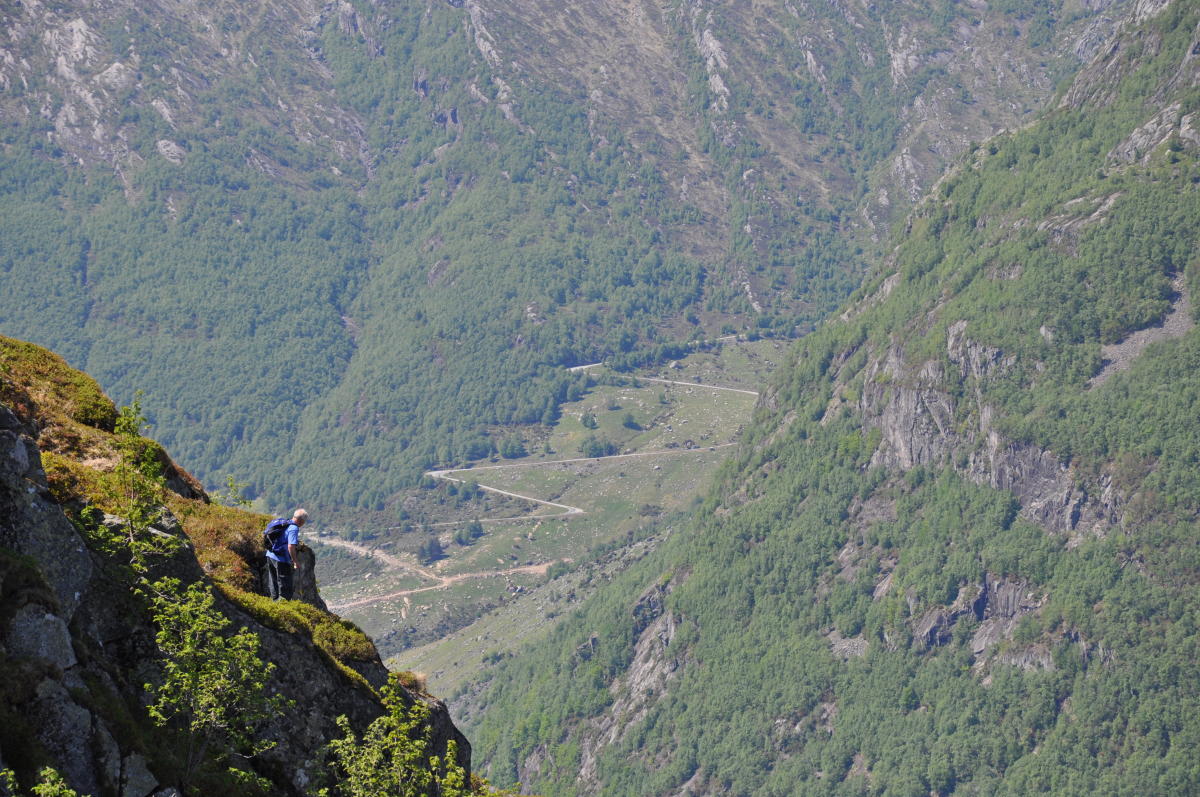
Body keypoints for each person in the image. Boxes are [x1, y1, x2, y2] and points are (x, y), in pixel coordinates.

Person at [266, 508, 308, 600]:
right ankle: (284, 605)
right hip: (281, 559)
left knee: (273, 581)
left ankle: (274, 601)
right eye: (304, 521)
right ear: (301, 521)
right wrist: (295, 561)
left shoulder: (285, 523)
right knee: (285, 584)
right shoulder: (294, 528)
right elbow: (290, 546)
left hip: (270, 554)